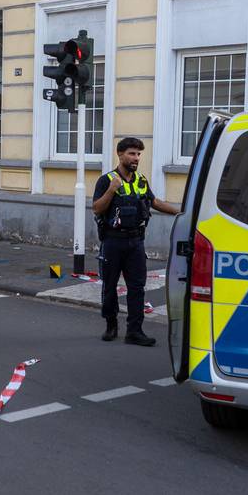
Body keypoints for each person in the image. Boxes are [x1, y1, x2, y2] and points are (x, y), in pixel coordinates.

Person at [92, 137, 179, 346]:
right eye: (132, 153)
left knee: (137, 287)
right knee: (110, 286)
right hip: (113, 242)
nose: (136, 158)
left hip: (136, 243)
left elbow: (154, 202)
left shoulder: (141, 180)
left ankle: (135, 331)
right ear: (120, 154)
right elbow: (97, 208)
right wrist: (112, 189)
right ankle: (111, 325)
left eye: (139, 154)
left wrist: (182, 212)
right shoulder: (107, 180)